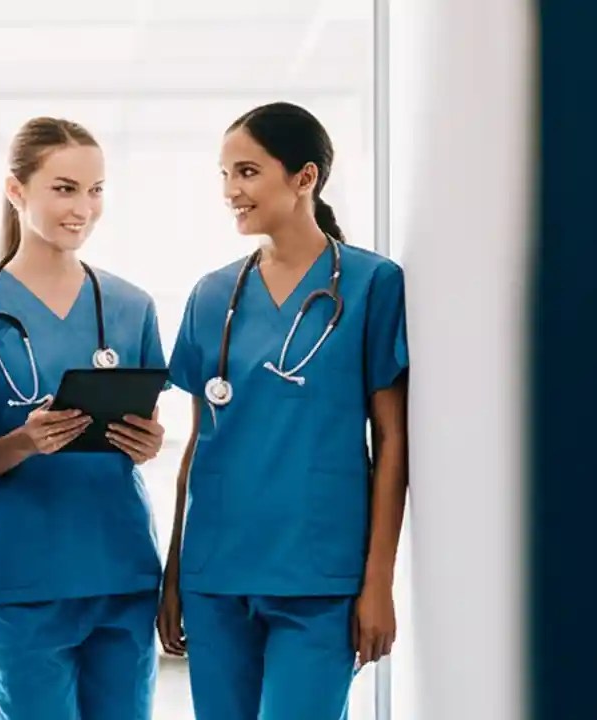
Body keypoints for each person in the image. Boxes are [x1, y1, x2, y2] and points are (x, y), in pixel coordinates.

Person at [156, 102, 410, 719]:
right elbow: (198, 442)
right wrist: (174, 572)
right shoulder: (213, 294)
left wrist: (379, 581)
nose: (230, 192)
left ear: (305, 178)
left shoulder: (372, 285)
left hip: (318, 575)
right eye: (223, 175)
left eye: (246, 172)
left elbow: (393, 442)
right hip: (216, 572)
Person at [0, 117, 167, 720]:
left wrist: (146, 443)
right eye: (65, 188)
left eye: (96, 189)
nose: (83, 207)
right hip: (22, 580)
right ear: (16, 190)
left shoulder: (131, 307)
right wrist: (21, 443)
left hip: (121, 571)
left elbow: (148, 428)